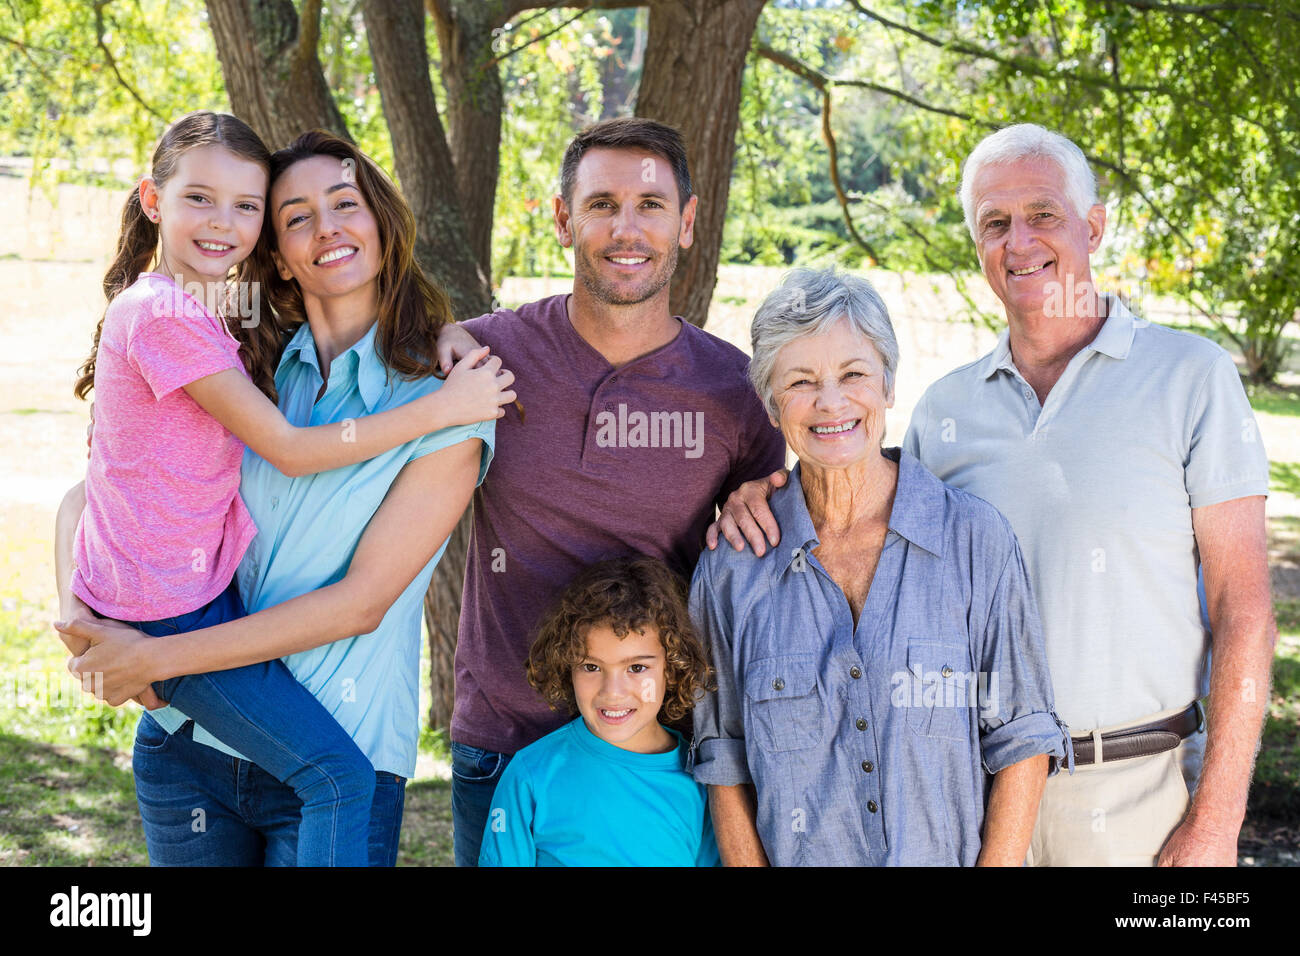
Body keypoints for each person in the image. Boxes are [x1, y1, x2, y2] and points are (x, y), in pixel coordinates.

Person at [710, 125, 1275, 867]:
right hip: (971, 803)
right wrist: (765, 493)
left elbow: (1246, 608)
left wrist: (1216, 821)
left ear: (1094, 226)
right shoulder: (946, 414)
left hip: (1142, 793)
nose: (1020, 241)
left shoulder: (1190, 378)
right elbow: (853, 489)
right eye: (994, 223)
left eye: (1043, 214)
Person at [54, 110, 512, 868]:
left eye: (345, 203)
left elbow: (360, 605)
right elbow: (93, 495)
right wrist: (87, 627)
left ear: (382, 223)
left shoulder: (447, 403)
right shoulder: (247, 366)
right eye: (297, 216)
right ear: (281, 252)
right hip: (187, 746)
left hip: (338, 757)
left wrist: (157, 659)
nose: (326, 227)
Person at [432, 117, 788, 866]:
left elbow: (761, 557)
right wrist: (428, 333)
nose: (627, 229)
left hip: (653, 755)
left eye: (651, 206)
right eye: (601, 204)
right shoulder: (486, 355)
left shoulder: (733, 393)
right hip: (504, 738)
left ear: (688, 222)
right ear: (564, 219)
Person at [690, 267, 1067, 866]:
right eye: (802, 381)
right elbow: (723, 755)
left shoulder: (975, 541)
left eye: (854, 374)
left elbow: (1023, 739)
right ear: (770, 403)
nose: (831, 402)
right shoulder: (733, 571)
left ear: (889, 385)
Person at [478, 556, 719, 867]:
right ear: (568, 668)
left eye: (636, 667)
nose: (613, 692)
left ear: (671, 669)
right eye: (591, 667)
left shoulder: (699, 780)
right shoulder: (531, 774)